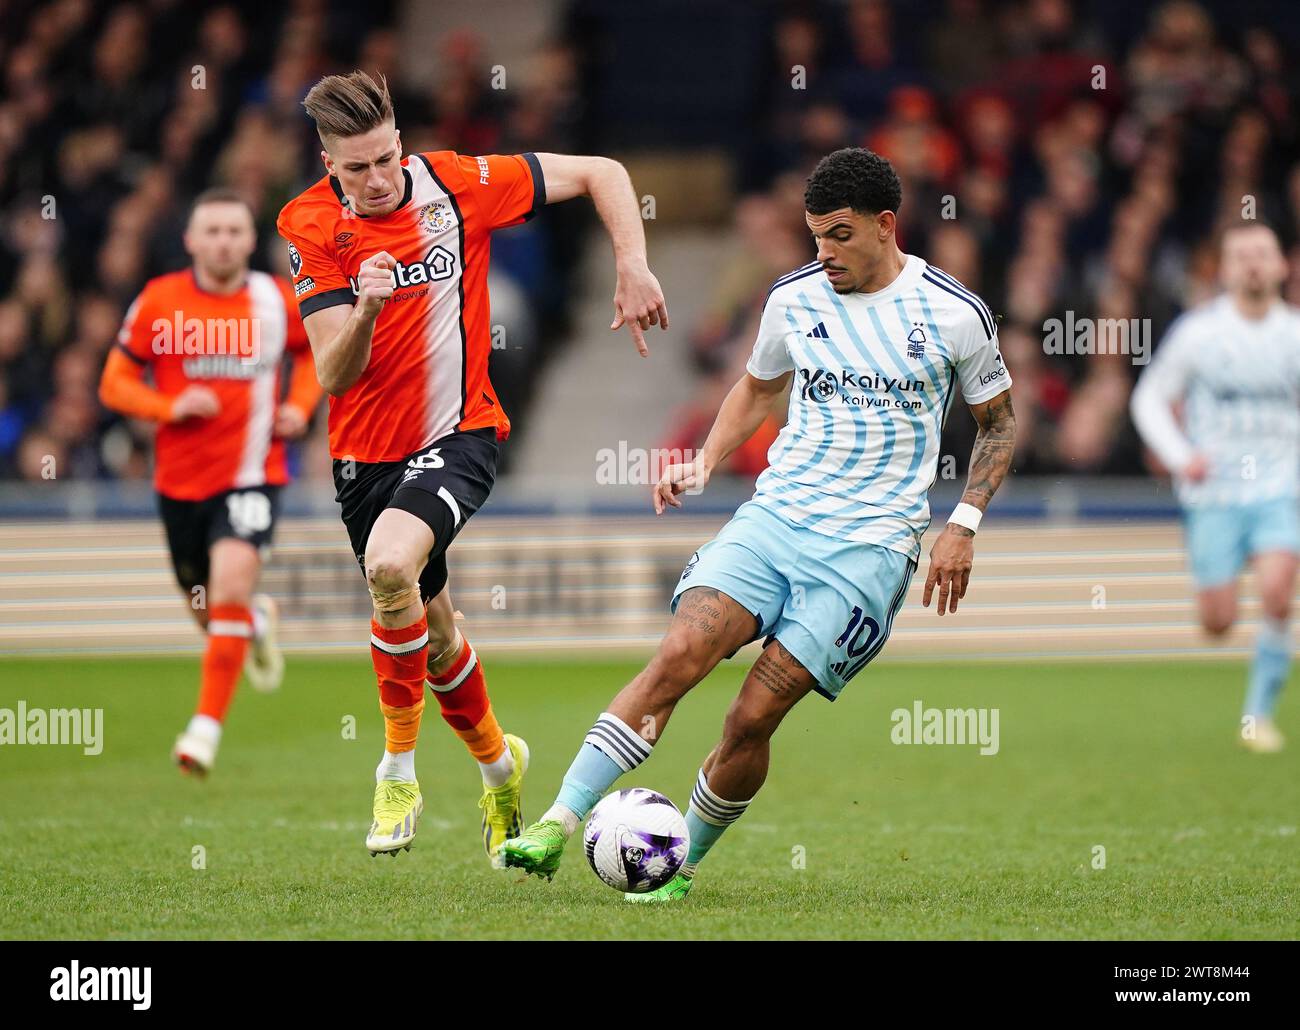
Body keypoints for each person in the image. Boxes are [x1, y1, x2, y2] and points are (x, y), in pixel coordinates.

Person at [502, 147, 1016, 900]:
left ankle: (683, 864)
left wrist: (963, 524)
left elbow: (998, 425)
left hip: (869, 549)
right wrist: (706, 458)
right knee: (679, 654)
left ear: (884, 225)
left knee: (752, 716)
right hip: (775, 519)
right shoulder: (794, 298)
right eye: (814, 237)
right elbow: (757, 388)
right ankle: (556, 822)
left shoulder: (953, 313)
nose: (824, 254)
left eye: (839, 236)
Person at [276, 71, 668, 860]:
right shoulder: (307, 223)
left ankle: (396, 771)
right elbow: (332, 374)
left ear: (400, 142)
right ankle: (500, 769)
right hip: (363, 457)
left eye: (387, 157)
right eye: (358, 169)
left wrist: (633, 263)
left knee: (391, 565)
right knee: (439, 634)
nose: (380, 179)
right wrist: (369, 307)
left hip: (462, 433)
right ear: (328, 163)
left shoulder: (458, 183)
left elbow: (605, 173)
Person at [99, 187, 321, 775]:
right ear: (191, 240)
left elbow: (315, 356)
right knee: (206, 607)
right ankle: (256, 622)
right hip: (178, 485)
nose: (224, 242)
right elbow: (113, 382)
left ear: (251, 240)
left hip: (252, 476)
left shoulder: (277, 300)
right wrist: (168, 407)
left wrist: (299, 407)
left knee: (225, 589)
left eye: (235, 231)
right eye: (213, 231)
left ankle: (204, 730)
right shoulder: (160, 301)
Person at [1132, 222, 1300, 753]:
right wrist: (1183, 457)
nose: (1252, 264)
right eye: (1241, 255)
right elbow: (1149, 398)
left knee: (1278, 592)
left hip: (1280, 486)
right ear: (1224, 270)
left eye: (1262, 254)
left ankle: (1258, 717)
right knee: (1218, 622)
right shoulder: (1198, 333)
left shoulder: (1294, 334)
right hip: (1215, 493)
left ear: (1281, 266)